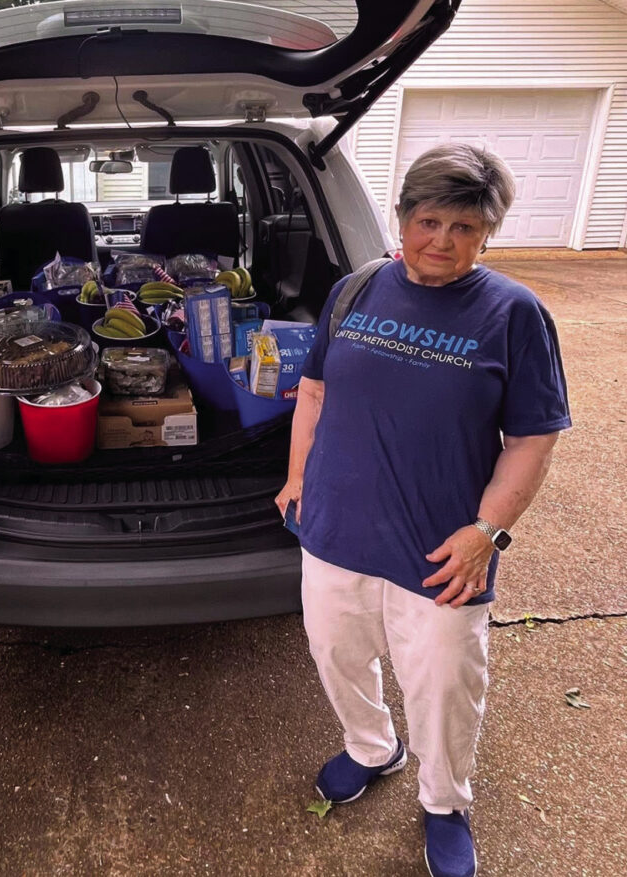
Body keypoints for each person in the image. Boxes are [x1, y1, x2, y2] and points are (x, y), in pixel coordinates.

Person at [275, 143, 570, 877]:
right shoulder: (357, 290)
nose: (442, 240)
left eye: (465, 228)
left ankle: (444, 800)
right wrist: (295, 479)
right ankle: (373, 749)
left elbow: (532, 439)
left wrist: (487, 532)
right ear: (402, 217)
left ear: (486, 233)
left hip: (441, 550)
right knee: (336, 656)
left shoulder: (515, 314)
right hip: (335, 528)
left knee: (443, 686)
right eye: (429, 219)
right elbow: (313, 393)